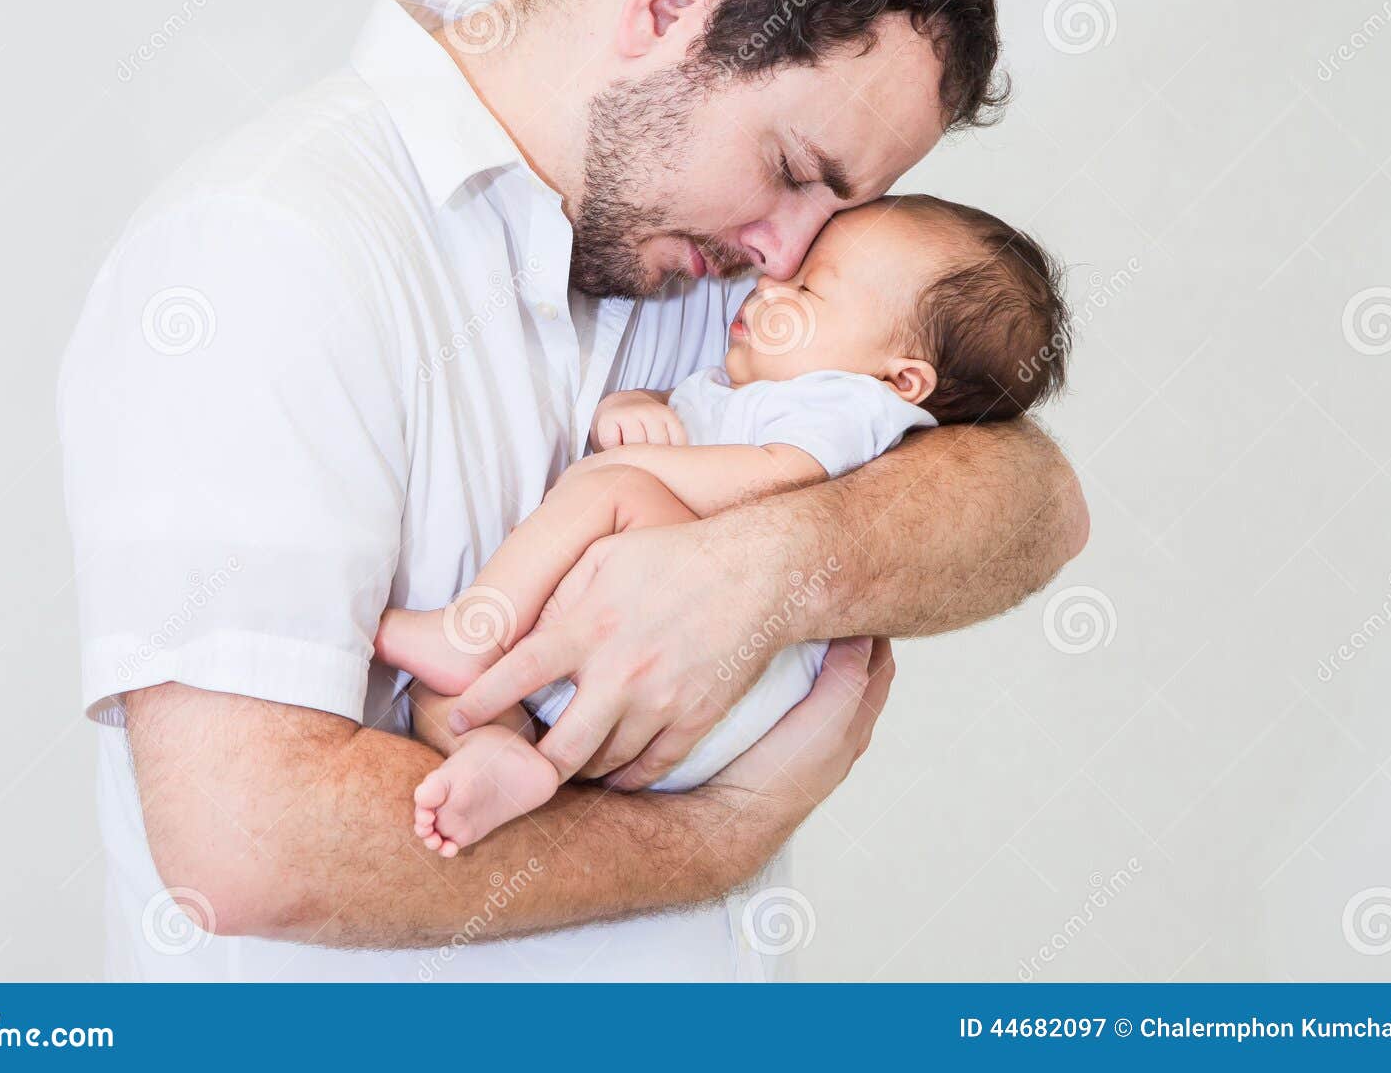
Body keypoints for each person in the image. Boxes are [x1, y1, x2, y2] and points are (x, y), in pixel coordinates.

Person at [59, 0, 1088, 980]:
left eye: (839, 206)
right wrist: (714, 839)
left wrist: (761, 572)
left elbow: (1037, 496)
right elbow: (248, 847)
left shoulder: (730, 267)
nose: (788, 253)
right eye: (789, 167)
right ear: (668, 9)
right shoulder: (269, 249)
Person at [383, 194, 1071, 854]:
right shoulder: (762, 385)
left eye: (808, 292)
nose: (770, 288)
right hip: (643, 690)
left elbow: (779, 475)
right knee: (449, 703)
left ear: (902, 380)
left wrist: (636, 457)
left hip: (721, 680)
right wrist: (632, 404)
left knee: (611, 485)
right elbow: (704, 423)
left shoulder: (849, 402)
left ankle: (471, 627)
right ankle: (495, 752)